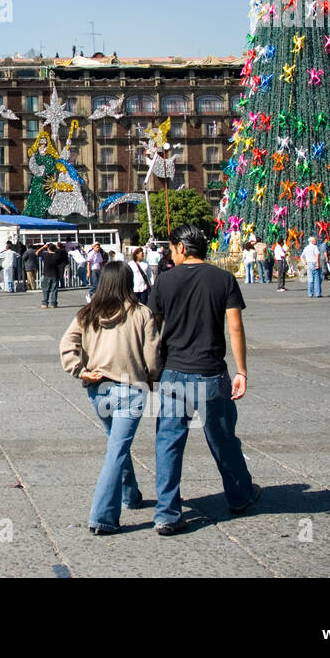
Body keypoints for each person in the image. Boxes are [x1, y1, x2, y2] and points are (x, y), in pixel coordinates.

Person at [149, 224, 258, 535]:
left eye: (171, 249)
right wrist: (242, 370)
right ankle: (239, 497)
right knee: (224, 440)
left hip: (173, 373)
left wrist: (149, 368)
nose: (171, 255)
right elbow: (235, 327)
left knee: (168, 443)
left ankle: (167, 514)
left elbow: (152, 329)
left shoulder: (165, 280)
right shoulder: (223, 279)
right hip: (211, 372)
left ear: (183, 248)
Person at [60, 261, 162, 534]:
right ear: (128, 283)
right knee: (117, 449)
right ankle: (102, 517)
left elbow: (67, 343)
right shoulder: (141, 313)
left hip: (98, 389)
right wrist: (152, 377)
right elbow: (152, 355)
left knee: (117, 445)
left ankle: (130, 495)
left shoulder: (87, 313)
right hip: (131, 389)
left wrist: (80, 370)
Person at [39, 242, 67, 309]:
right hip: (55, 274)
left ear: (48, 248)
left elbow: (37, 253)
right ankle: (53, 303)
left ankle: (44, 303)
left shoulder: (45, 255)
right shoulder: (57, 256)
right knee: (54, 290)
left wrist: (43, 247)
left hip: (46, 274)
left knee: (46, 289)